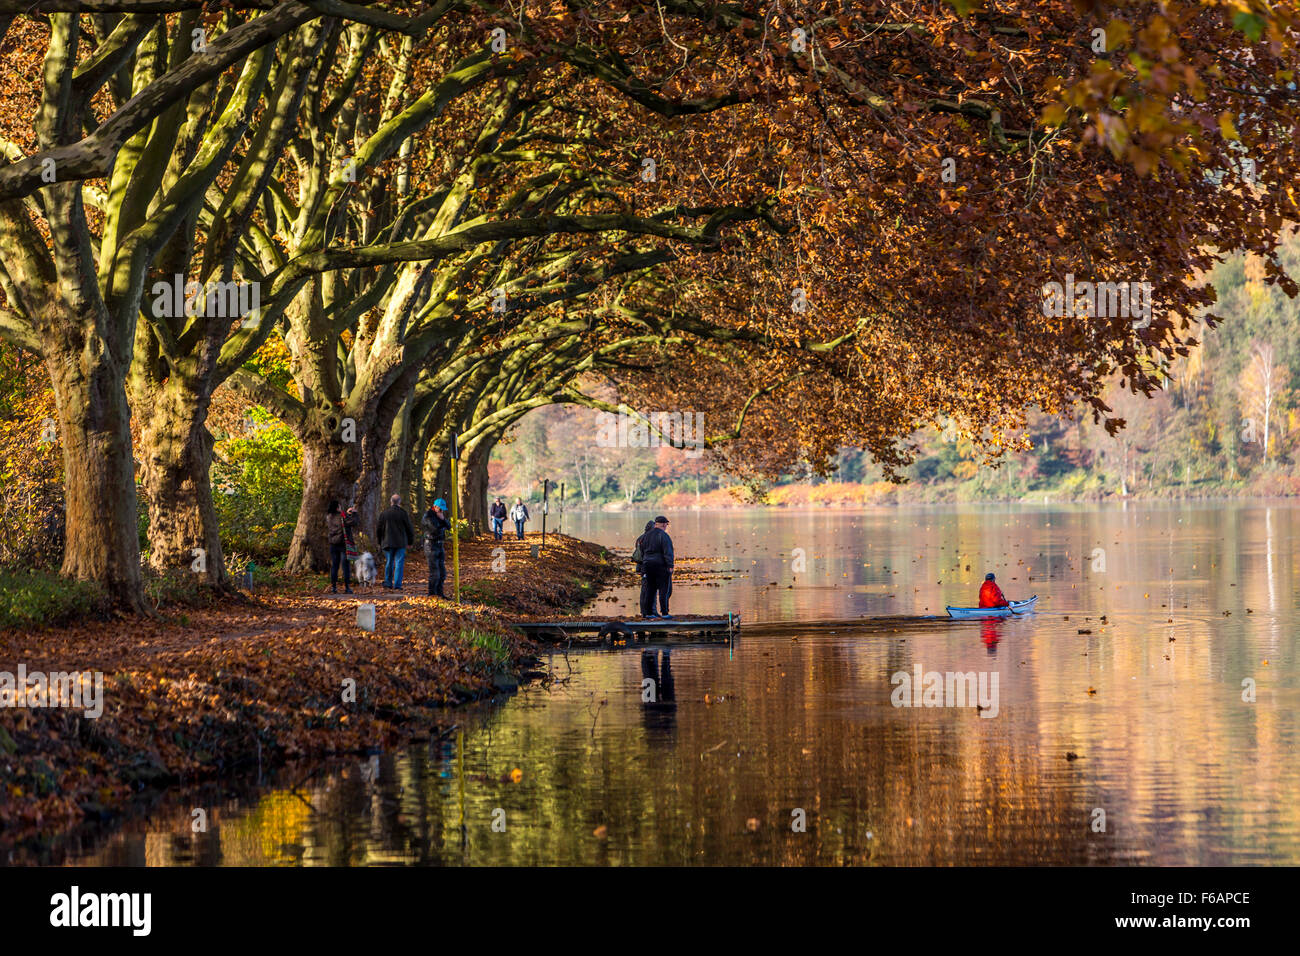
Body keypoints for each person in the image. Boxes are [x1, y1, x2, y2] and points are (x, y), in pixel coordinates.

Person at [376, 493, 416, 589]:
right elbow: (409, 528)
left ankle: (388, 582)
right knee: (399, 563)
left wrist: (379, 541)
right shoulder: (403, 513)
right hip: (400, 542)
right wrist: (410, 542)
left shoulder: (384, 513)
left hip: (387, 542)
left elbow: (379, 528)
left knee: (389, 562)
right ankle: (397, 585)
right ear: (399, 502)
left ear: (391, 502)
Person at [639, 515, 674, 618]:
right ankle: (664, 613)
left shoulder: (646, 536)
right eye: (666, 524)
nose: (666, 526)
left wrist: (643, 565)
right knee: (664, 590)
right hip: (660, 565)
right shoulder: (664, 536)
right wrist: (670, 565)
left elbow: (642, 551)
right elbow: (668, 552)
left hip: (648, 565)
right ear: (664, 524)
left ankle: (648, 613)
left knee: (650, 589)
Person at [422, 498, 452, 598]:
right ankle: (432, 594)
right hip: (431, 545)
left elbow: (448, 526)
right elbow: (434, 529)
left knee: (442, 573)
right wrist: (441, 524)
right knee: (435, 573)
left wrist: (443, 519)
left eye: (442, 510)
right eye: (440, 509)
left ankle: (440, 593)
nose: (441, 511)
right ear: (435, 507)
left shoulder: (440, 516)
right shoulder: (428, 516)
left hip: (439, 545)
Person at [325, 500, 355, 594]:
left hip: (333, 543)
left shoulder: (328, 517)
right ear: (338, 507)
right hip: (343, 544)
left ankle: (334, 587)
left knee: (334, 566)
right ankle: (347, 587)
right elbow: (352, 522)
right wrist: (353, 513)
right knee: (345, 566)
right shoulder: (342, 516)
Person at [632, 519, 654, 618]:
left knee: (644, 590)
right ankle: (649, 612)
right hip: (647, 567)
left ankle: (644, 611)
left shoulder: (639, 538)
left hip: (640, 567)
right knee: (649, 590)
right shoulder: (649, 538)